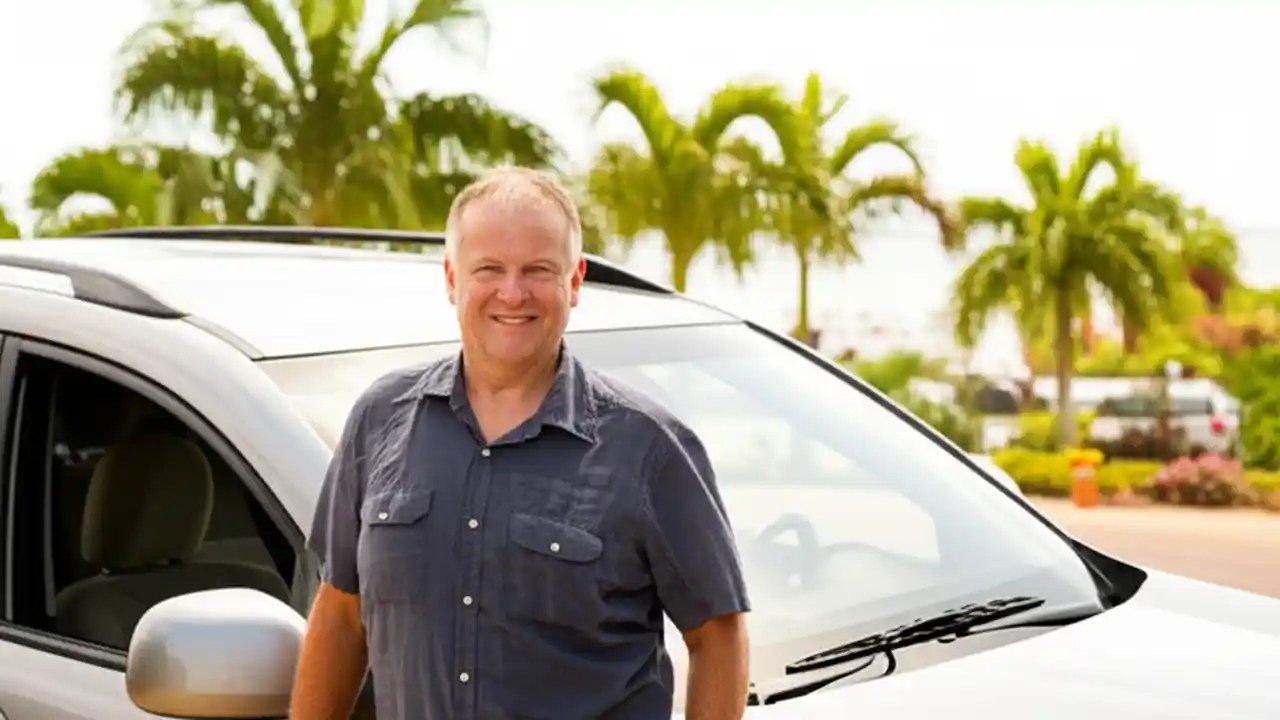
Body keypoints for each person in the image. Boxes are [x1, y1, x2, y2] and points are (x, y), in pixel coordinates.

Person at [289, 166, 751, 719]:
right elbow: (340, 614)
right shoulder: (379, 419)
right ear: (452, 279)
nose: (513, 292)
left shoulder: (649, 449)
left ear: (574, 281)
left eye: (538, 270)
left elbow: (718, 634)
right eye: (489, 269)